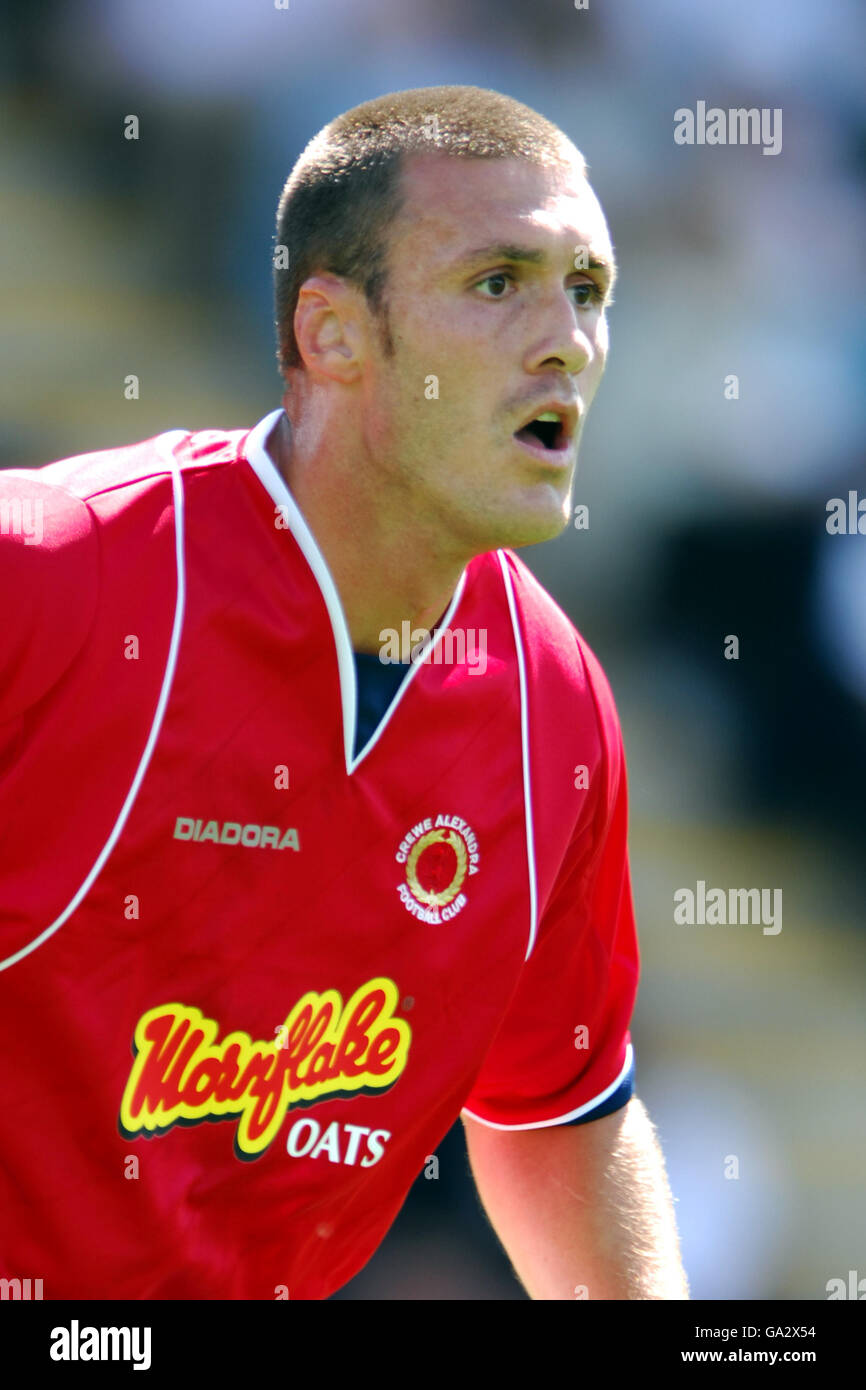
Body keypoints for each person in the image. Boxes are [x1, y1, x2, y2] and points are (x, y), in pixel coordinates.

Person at [0, 85, 688, 1300]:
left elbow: (559, 1107)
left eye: (587, 292)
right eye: (497, 283)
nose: (566, 342)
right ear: (332, 334)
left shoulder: (552, 703)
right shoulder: (53, 575)